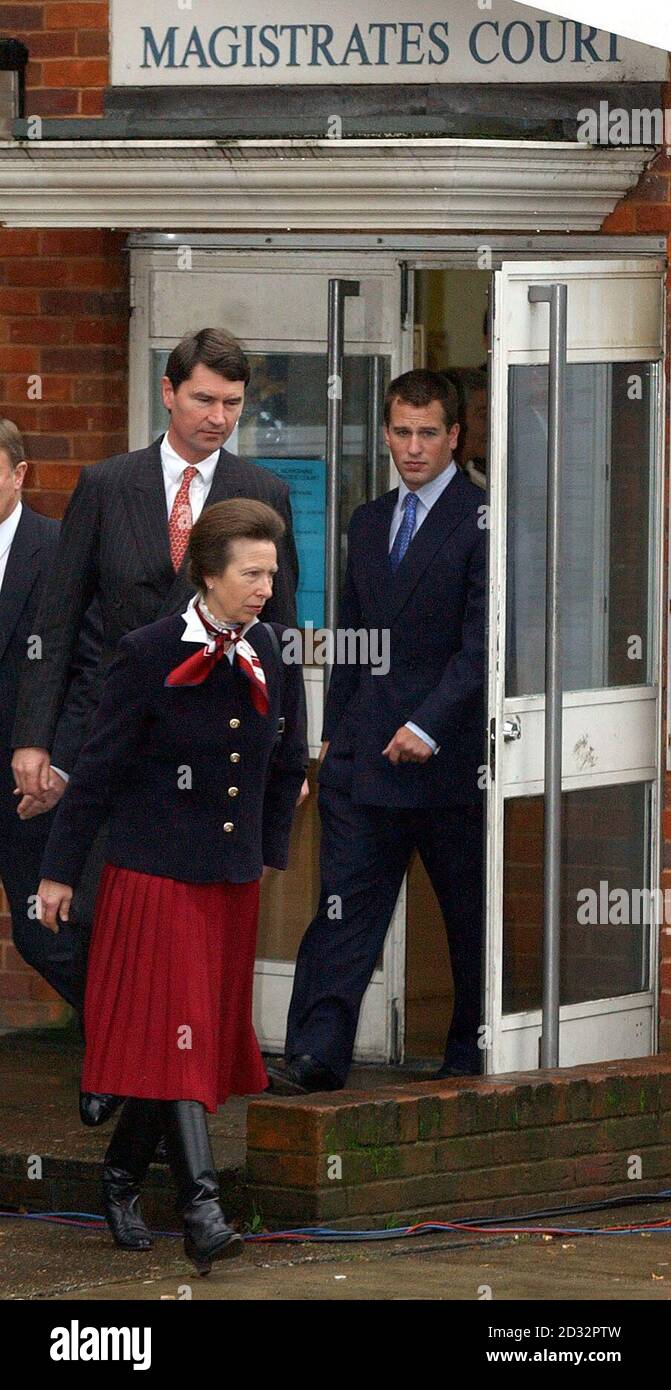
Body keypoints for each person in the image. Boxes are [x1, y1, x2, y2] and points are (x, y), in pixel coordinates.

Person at [35, 499, 308, 1273]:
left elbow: (289, 760)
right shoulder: (148, 650)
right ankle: (201, 1209)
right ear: (208, 573)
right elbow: (98, 769)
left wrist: (265, 852)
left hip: (229, 880)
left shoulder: (274, 649)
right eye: (250, 572)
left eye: (271, 570)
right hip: (153, 874)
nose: (265, 585)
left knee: (192, 1041)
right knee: (179, 1036)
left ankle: (121, 1175)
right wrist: (58, 872)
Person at [12, 327, 301, 999]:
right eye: (204, 399)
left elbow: (281, 637)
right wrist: (34, 735)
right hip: (111, 735)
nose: (218, 419)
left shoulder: (262, 490)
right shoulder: (108, 485)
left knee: (184, 931)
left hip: (209, 742)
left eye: (233, 404)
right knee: (88, 911)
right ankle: (117, 1057)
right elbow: (56, 620)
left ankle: (157, 1082)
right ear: (168, 393)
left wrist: (284, 750)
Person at [269, 369, 486, 1095]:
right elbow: (354, 638)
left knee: (467, 918)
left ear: (454, 436)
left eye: (428, 433)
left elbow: (484, 646)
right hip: (364, 758)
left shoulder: (484, 517)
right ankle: (314, 1055)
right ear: (386, 430)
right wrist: (332, 740)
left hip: (453, 763)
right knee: (343, 908)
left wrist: (428, 724)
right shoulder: (367, 521)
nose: (413, 447)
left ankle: (469, 1052)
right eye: (400, 431)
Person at [0, 418, 101, 1014]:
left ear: (19, 475)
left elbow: (86, 667)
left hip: (28, 785)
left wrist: (59, 762)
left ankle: (126, 1042)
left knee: (46, 936)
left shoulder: (59, 548)